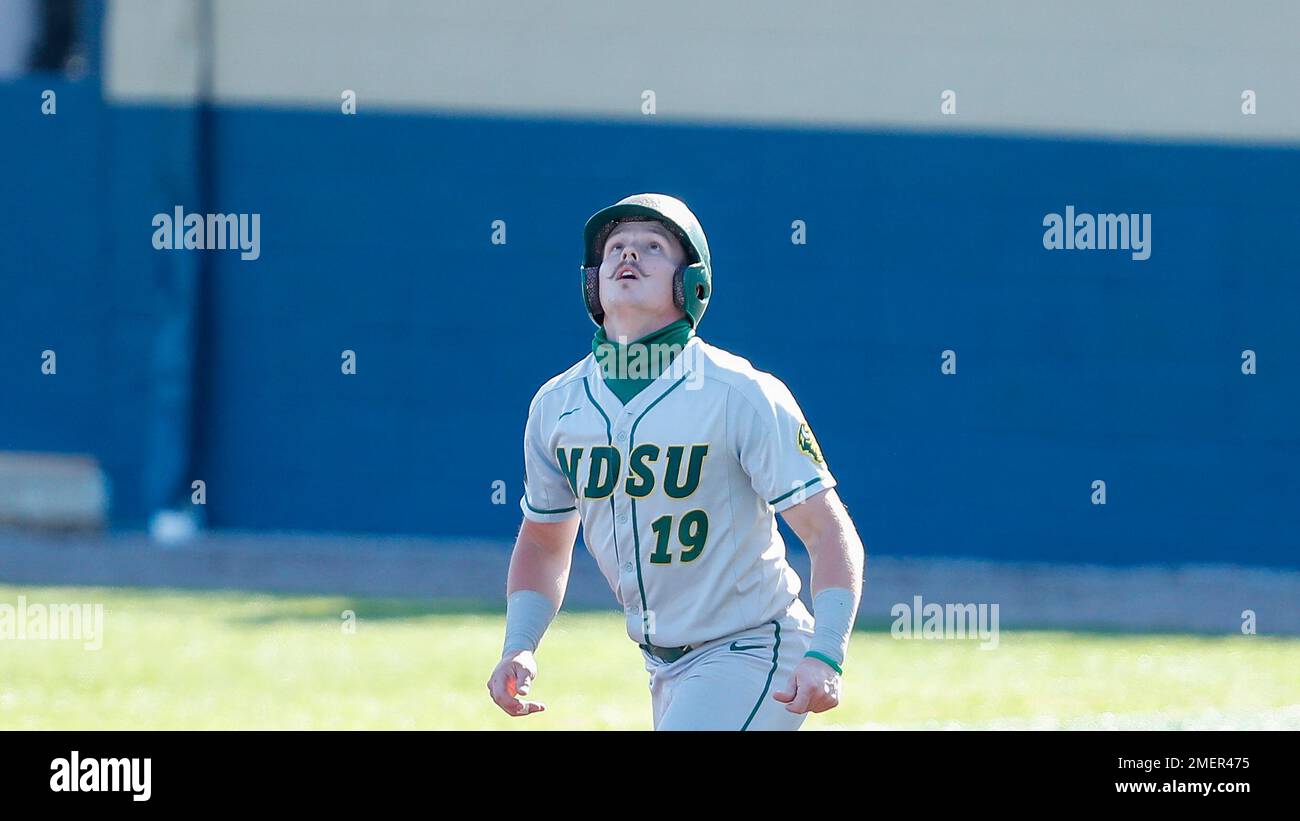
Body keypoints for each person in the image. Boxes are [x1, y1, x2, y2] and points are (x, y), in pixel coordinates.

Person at [486, 193, 866, 730]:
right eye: (616, 246)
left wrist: (826, 652)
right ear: (592, 282)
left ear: (692, 283)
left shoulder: (740, 392)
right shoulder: (557, 404)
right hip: (662, 664)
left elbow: (829, 531)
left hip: (755, 647)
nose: (629, 255)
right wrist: (520, 644)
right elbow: (545, 541)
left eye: (653, 246)